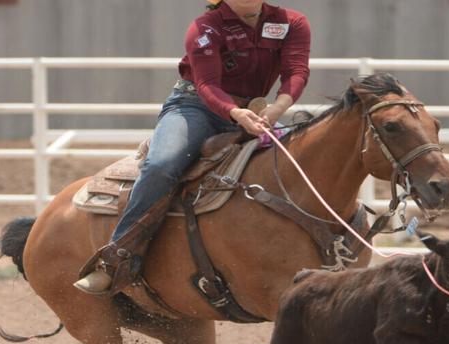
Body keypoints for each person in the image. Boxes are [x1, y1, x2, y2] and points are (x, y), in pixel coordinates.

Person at [74, 1, 310, 296]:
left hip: (255, 110)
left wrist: (278, 108)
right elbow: (207, 85)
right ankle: (117, 257)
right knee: (162, 164)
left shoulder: (292, 23)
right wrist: (235, 114)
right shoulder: (205, 27)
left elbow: (296, 71)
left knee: (302, 157)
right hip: (194, 108)